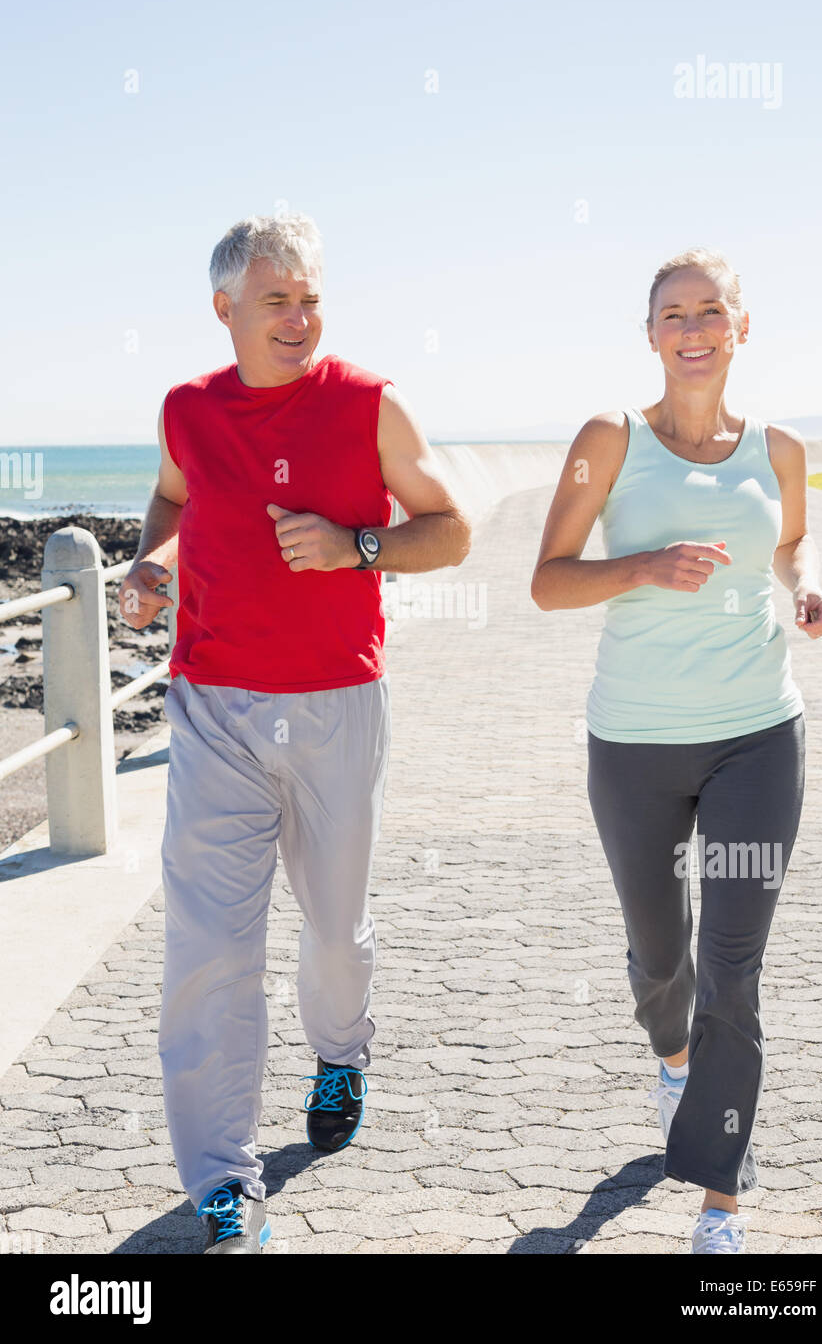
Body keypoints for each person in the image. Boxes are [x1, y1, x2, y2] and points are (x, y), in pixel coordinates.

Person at [119, 212, 471, 1253]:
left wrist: (354, 544)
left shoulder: (369, 405)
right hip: (212, 704)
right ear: (223, 307)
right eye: (277, 299)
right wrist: (151, 565)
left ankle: (341, 1051)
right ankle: (222, 1177)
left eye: (310, 297)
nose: (299, 317)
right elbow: (171, 496)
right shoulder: (186, 410)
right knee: (210, 947)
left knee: (330, 928)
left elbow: (448, 531)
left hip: (336, 703)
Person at [531, 247, 822, 1255]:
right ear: (651, 334)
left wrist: (799, 585)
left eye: (711, 310)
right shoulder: (606, 440)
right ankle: (670, 1051)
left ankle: (720, 1196)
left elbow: (788, 541)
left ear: (740, 326)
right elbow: (547, 580)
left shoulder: (779, 447)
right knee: (662, 960)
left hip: (757, 734)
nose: (693, 328)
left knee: (730, 968)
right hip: (633, 744)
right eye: (673, 314)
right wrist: (642, 566)